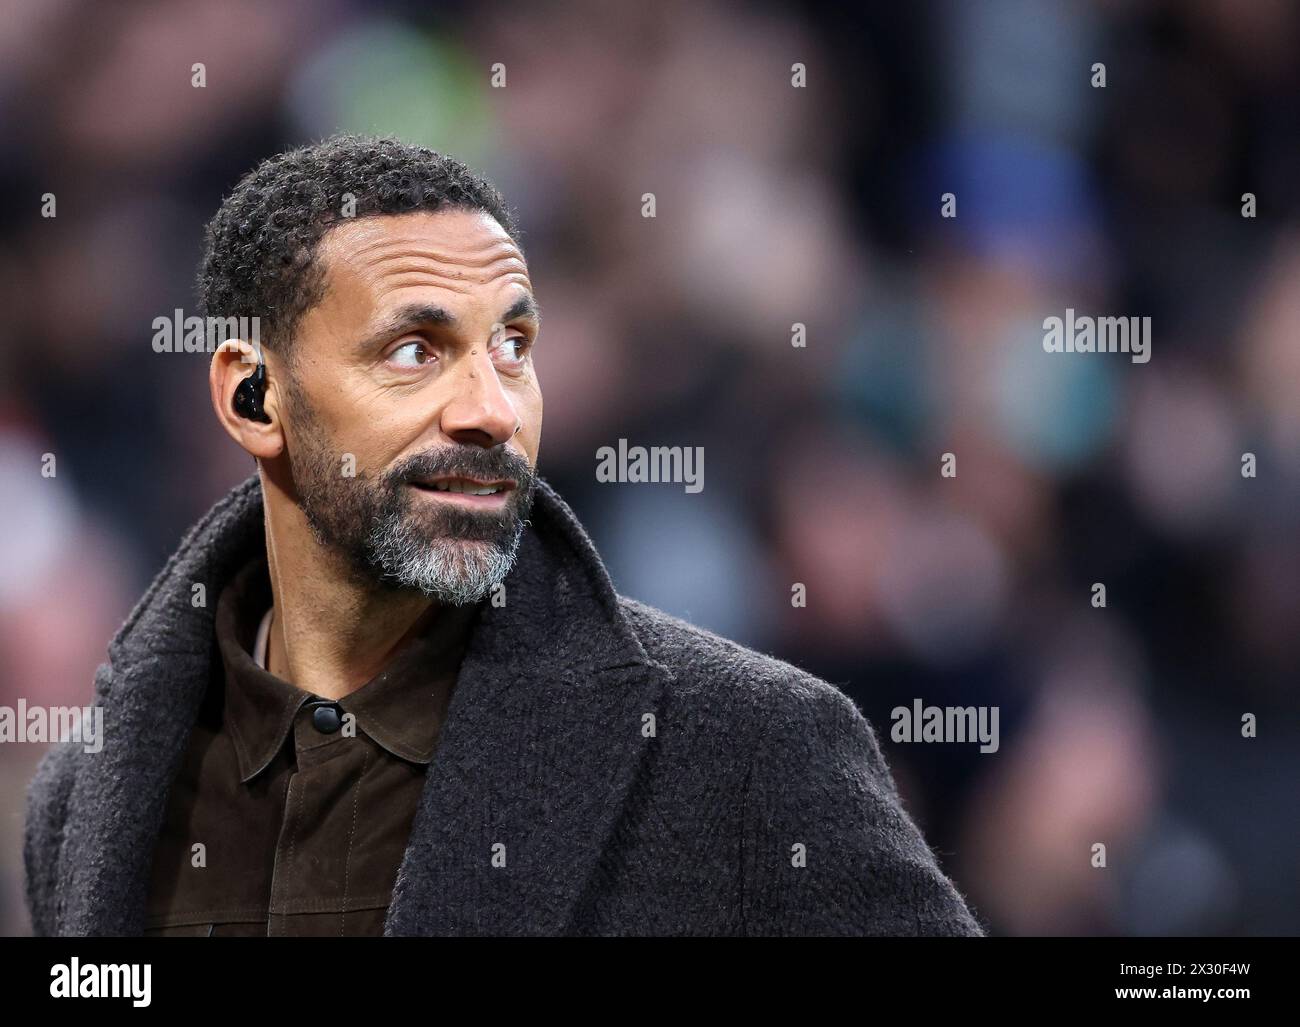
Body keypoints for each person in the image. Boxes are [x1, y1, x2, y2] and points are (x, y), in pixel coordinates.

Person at [24, 135, 983, 937]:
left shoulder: (751, 753)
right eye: (416, 350)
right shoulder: (89, 796)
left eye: (513, 347)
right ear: (253, 395)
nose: (491, 409)